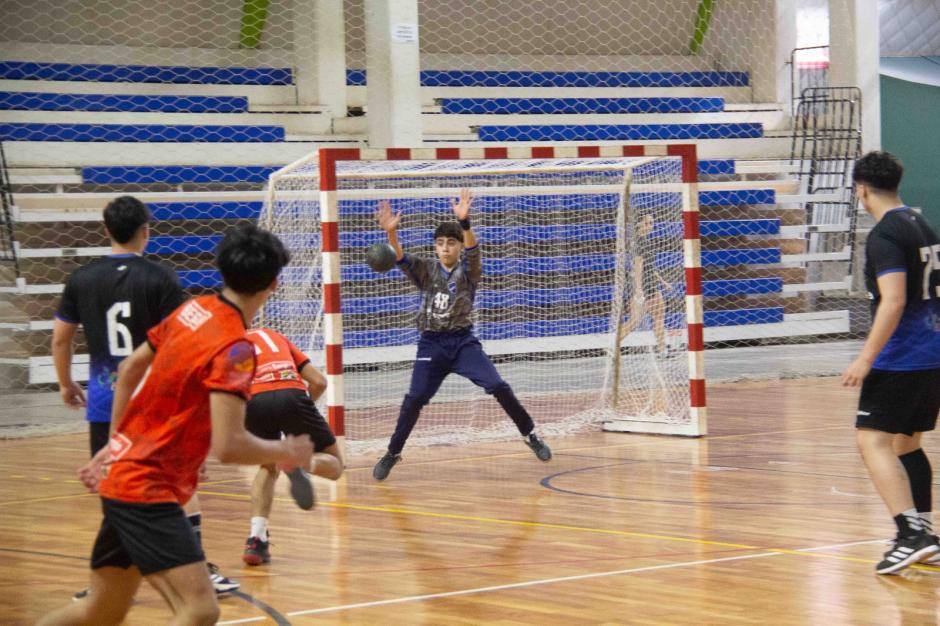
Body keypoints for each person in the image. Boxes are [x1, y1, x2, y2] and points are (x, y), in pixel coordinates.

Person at [37, 224, 315, 626]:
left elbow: (131, 367)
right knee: (200, 609)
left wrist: (116, 443)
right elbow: (230, 445)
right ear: (273, 284)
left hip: (128, 477)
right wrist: (285, 451)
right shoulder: (237, 348)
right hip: (148, 488)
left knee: (101, 610)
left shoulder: (192, 309)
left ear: (221, 270)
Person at [51, 195, 238, 597]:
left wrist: (66, 383)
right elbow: (190, 338)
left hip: (104, 401)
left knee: (115, 488)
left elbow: (60, 340)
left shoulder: (80, 279)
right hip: (156, 402)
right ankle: (197, 568)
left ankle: (103, 585)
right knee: (179, 484)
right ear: (146, 231)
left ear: (106, 230)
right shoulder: (160, 278)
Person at [371, 189, 552, 481]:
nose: (445, 248)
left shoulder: (470, 271)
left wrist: (464, 223)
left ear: (457, 247)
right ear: (435, 247)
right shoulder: (426, 269)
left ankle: (530, 434)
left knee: (498, 385)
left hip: (463, 342)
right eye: (440, 243)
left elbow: (473, 250)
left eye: (450, 243)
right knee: (415, 398)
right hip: (432, 342)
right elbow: (401, 258)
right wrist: (392, 235)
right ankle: (393, 452)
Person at [841, 151, 940, 574]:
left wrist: (866, 358)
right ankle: (926, 534)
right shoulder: (920, 223)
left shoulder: (884, 235)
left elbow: (894, 299)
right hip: (933, 350)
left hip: (902, 357)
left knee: (872, 440)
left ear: (861, 190)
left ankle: (909, 533)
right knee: (907, 444)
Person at [242, 327, 344, 565]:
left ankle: (256, 538)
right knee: (336, 465)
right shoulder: (275, 335)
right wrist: (300, 410)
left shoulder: (232, 345)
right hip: (292, 394)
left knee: (267, 467)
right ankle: (304, 461)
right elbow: (319, 382)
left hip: (255, 401)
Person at [617, 210, 668, 356]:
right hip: (645, 286)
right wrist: (639, 289)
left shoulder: (641, 241)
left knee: (644, 319)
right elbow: (638, 266)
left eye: (652, 223)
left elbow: (649, 267)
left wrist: (663, 281)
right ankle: (662, 349)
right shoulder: (641, 242)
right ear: (639, 224)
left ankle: (614, 346)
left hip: (647, 284)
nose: (651, 225)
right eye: (647, 223)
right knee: (647, 318)